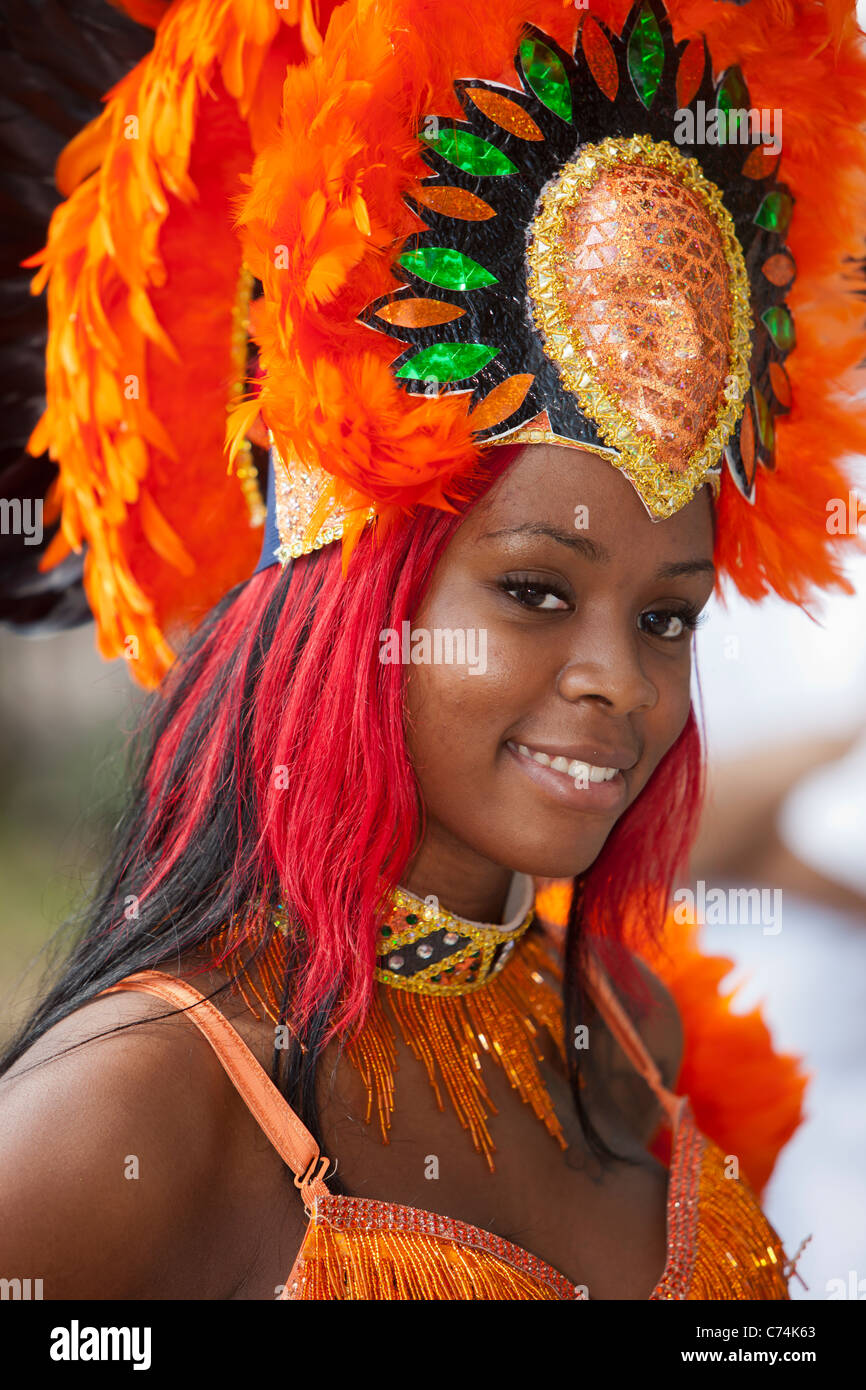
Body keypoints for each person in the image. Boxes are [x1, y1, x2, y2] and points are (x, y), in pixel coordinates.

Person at [1, 0, 865, 1301]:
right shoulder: (131, 1115)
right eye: (532, 589)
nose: (616, 682)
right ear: (349, 604)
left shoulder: (637, 1042)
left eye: (664, 615)